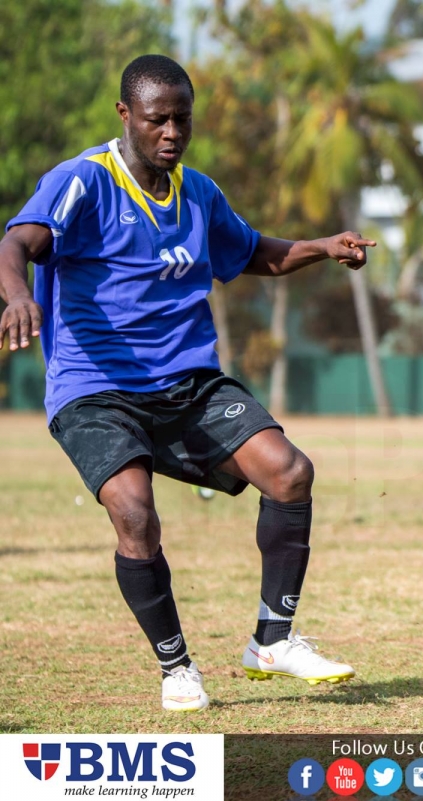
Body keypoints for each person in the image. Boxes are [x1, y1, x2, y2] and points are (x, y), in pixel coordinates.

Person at [0, 54, 368, 711]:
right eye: (157, 119)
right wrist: (16, 297)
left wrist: (320, 246)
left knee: (290, 472)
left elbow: (251, 251)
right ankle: (176, 667)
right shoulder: (83, 182)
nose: (171, 132)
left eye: (182, 119)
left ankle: (272, 640)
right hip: (95, 388)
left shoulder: (197, 193)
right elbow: (17, 241)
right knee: (135, 513)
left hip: (186, 381)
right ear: (125, 116)